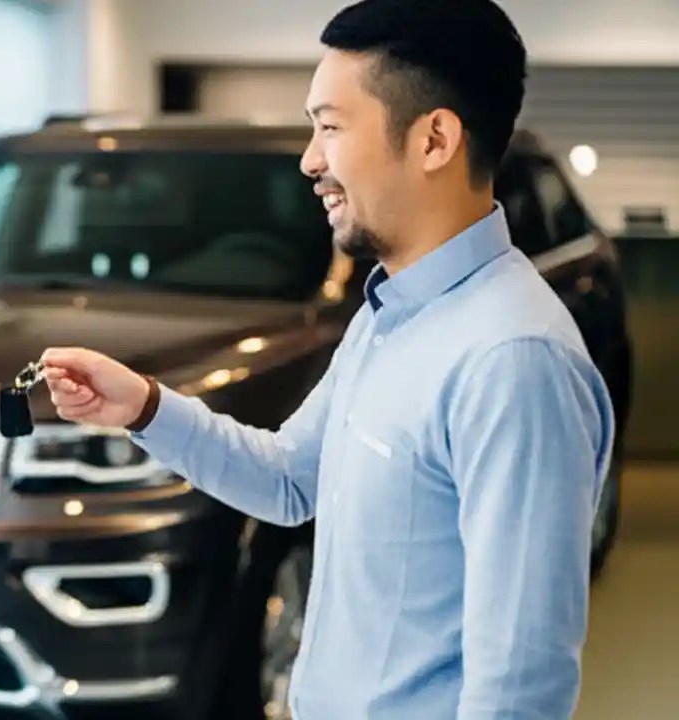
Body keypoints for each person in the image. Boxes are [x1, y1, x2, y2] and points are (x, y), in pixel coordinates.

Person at [41, 1, 615, 718]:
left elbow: (520, 685)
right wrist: (146, 408)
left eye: (331, 126)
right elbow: (290, 479)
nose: (311, 159)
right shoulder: (392, 313)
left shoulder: (513, 362)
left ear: (434, 138)